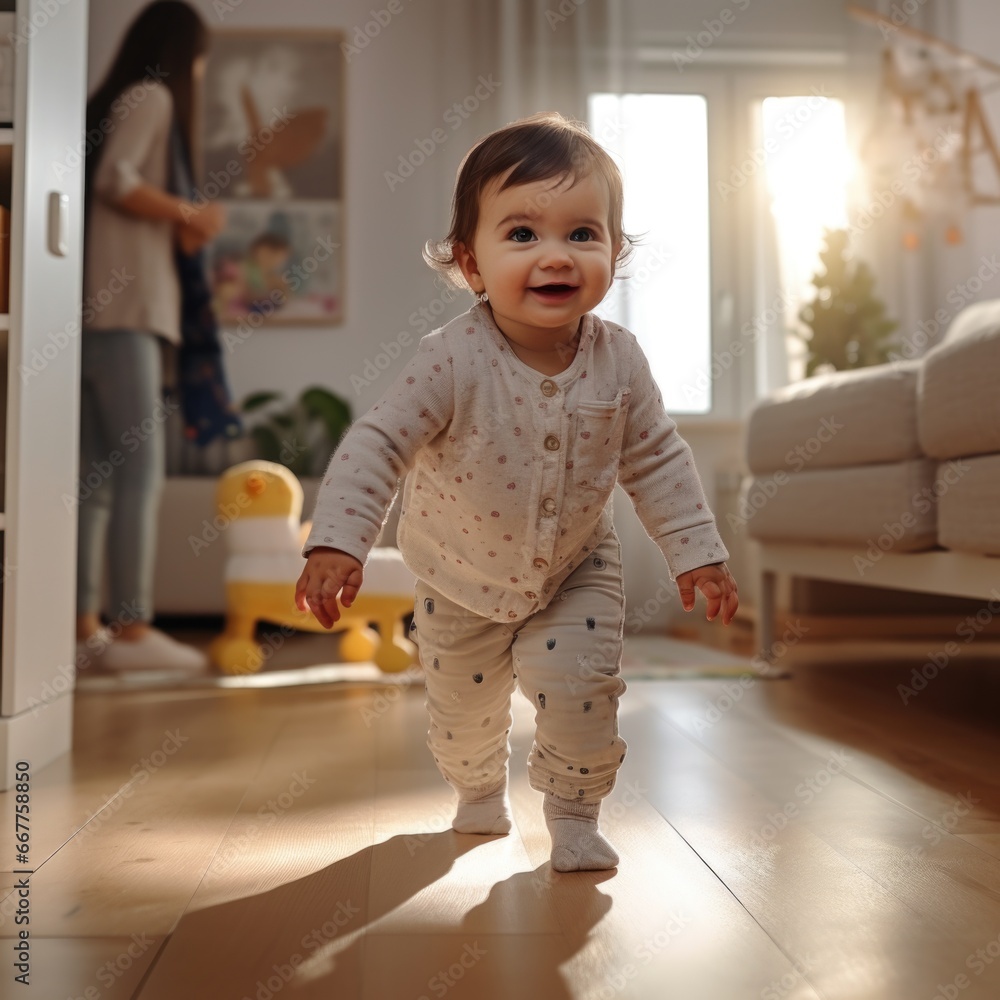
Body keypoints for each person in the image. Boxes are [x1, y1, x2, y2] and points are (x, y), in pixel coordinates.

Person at [295, 112, 739, 872]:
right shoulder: (450, 360)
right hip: (455, 574)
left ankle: (573, 814)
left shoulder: (621, 361)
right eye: (523, 234)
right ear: (472, 264)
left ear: (614, 251)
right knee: (463, 717)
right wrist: (339, 539)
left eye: (583, 233)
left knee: (582, 691)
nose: (555, 255)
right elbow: (379, 442)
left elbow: (657, 458)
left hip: (576, 568)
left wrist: (695, 550)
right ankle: (476, 787)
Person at [77, 1, 229, 671]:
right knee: (139, 472)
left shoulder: (120, 99)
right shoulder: (153, 97)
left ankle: (83, 630)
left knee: (95, 479)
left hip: (97, 317)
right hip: (127, 313)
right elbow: (117, 178)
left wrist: (178, 224)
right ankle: (132, 630)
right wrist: (190, 213)